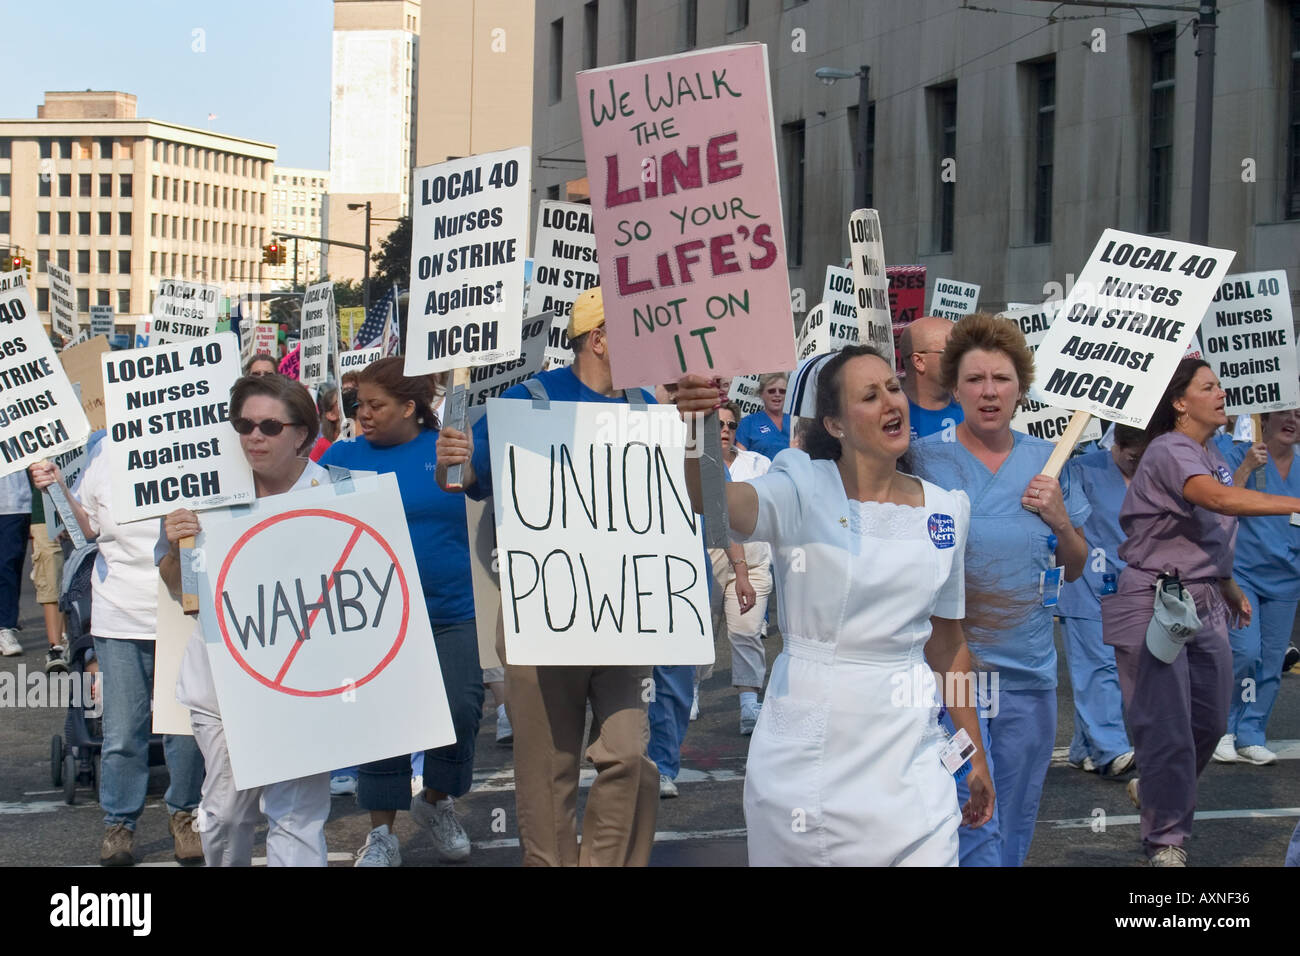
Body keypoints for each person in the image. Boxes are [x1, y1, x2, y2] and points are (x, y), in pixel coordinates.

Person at [674, 345, 994, 865]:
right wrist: (696, 426)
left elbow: (949, 643)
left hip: (910, 758)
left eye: (893, 387)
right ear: (836, 424)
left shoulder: (946, 511)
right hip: (811, 754)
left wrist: (972, 750)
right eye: (869, 396)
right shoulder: (801, 485)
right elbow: (713, 505)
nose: (892, 402)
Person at [436, 286, 660, 866]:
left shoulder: (648, 408)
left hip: (622, 610)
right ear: (600, 338)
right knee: (547, 768)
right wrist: (449, 462)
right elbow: (464, 479)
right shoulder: (528, 400)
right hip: (542, 608)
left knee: (630, 753)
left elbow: (688, 499)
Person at [1102, 360, 1300, 866]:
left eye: (1220, 383)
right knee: (1166, 725)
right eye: (1208, 386)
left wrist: (1227, 582)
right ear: (1179, 402)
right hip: (1158, 600)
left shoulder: (1210, 451)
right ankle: (1166, 842)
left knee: (1210, 723)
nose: (1221, 392)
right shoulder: (1170, 449)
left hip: (1205, 598)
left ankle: (1157, 787)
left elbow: (1208, 526)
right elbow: (1218, 499)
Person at [911, 312, 1089, 868]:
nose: (989, 392)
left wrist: (1060, 520)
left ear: (1021, 388)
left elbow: (1077, 568)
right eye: (974, 380)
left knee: (1011, 822)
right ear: (953, 387)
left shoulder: (1051, 463)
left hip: (1027, 678)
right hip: (948, 682)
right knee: (967, 818)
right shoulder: (923, 461)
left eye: (1002, 380)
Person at [158, 373, 332, 866]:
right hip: (223, 683)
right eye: (244, 424)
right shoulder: (203, 497)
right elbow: (181, 592)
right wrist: (178, 546)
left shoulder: (338, 491)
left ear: (302, 433)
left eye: (270, 426)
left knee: (298, 818)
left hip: (306, 684)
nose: (254, 436)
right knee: (228, 815)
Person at [320, 357, 482, 867]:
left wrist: (470, 463)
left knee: (461, 709)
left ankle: (435, 801)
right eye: (358, 404)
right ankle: (382, 833)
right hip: (378, 616)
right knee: (383, 722)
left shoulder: (448, 450)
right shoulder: (341, 458)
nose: (362, 413)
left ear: (410, 407)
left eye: (375, 405)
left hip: (452, 608)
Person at [30, 448, 205, 866]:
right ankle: (119, 824)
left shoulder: (196, 442)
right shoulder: (103, 452)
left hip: (184, 607)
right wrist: (56, 487)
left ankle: (184, 816)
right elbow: (84, 529)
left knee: (184, 729)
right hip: (120, 614)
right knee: (123, 730)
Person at [1208, 408, 1300, 766]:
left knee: (1272, 659)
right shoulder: (1235, 453)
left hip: (1287, 576)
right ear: (1266, 416)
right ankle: (1223, 729)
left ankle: (1251, 733)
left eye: (1299, 415)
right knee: (1245, 653)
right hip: (1242, 574)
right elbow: (1220, 504)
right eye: (1285, 413)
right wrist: (1246, 466)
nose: (1292, 421)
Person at [1058, 425, 1146, 777]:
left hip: (1130, 585)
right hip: (1086, 583)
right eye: (1132, 457)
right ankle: (1111, 749)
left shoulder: (1152, 475)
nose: (1138, 464)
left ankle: (1083, 747)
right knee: (1097, 666)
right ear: (1116, 445)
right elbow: (1070, 516)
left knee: (1118, 667)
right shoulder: (1083, 467)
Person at [711, 401, 766, 734]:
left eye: (731, 425)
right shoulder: (695, 463)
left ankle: (749, 705)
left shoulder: (759, 464)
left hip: (754, 561)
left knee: (747, 630)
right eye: (718, 425)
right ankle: (689, 694)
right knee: (702, 628)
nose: (725, 431)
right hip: (711, 557)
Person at [900, 315, 964, 440]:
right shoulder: (892, 414)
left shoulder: (972, 409)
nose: (962, 359)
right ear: (919, 361)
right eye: (952, 352)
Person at [28, 476, 68, 671]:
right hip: (44, 513)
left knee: (81, 579)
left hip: (84, 505)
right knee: (50, 577)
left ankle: (74, 639)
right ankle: (56, 646)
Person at [735, 372, 790, 460]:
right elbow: (740, 462)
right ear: (761, 394)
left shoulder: (797, 423)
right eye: (771, 391)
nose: (777, 394)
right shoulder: (748, 423)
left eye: (782, 391)